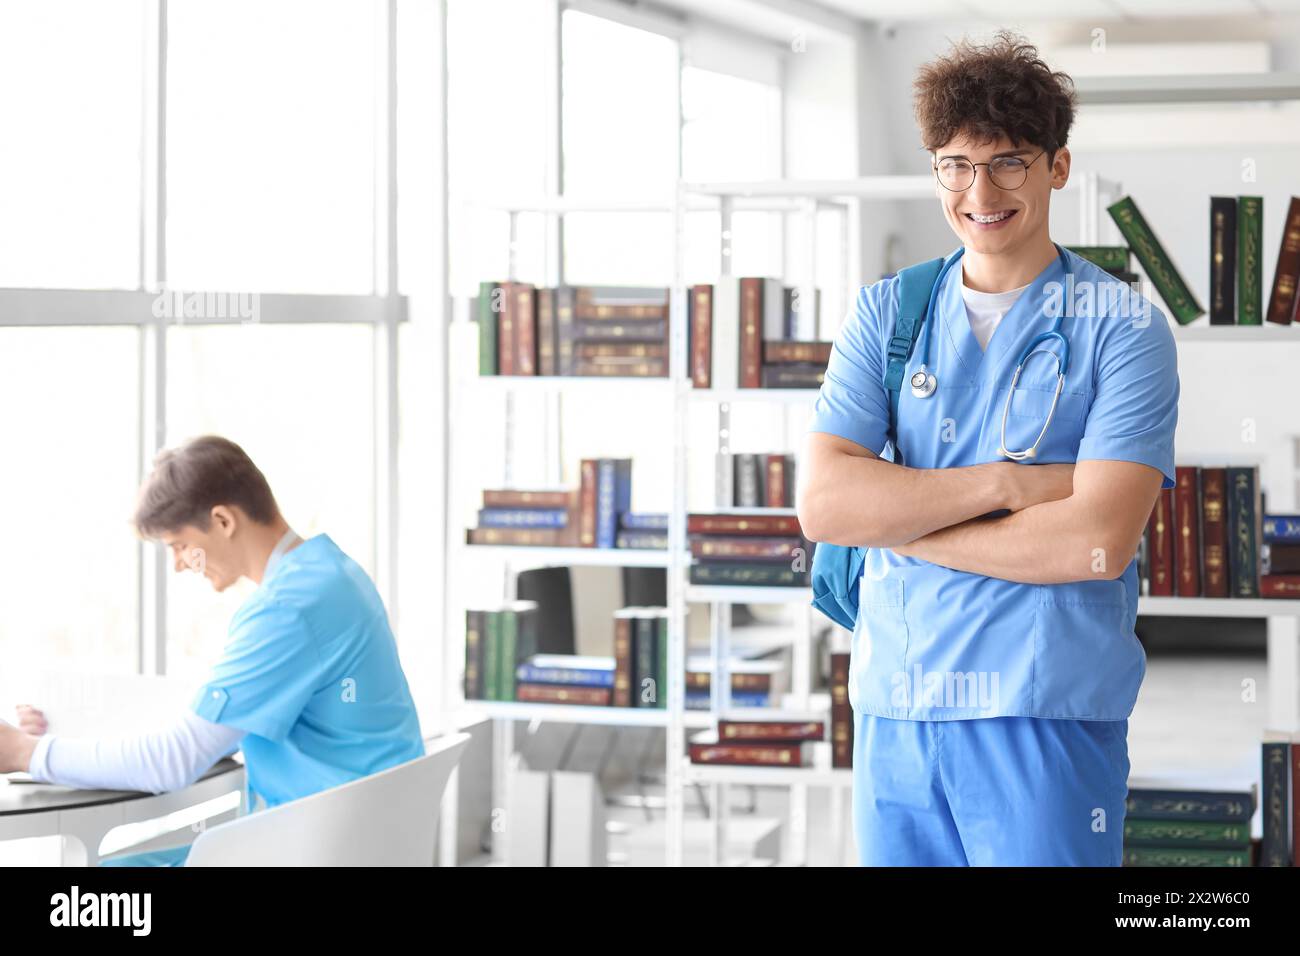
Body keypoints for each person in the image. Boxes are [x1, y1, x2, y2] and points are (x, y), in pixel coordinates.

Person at [797, 32, 1178, 866]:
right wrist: (1011, 484)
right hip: (898, 706)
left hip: (1040, 714)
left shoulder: (1124, 328)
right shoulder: (888, 313)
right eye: (955, 164)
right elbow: (827, 508)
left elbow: (1094, 542)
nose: (981, 191)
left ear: (1057, 167)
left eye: (1009, 161)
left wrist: (902, 525)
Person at [0, 435, 425, 866]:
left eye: (179, 545)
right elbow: (208, 732)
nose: (179, 563)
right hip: (367, 839)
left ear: (222, 520)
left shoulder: (285, 609)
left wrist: (21, 752)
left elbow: (175, 761)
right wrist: (69, 738)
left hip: (319, 848)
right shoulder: (332, 573)